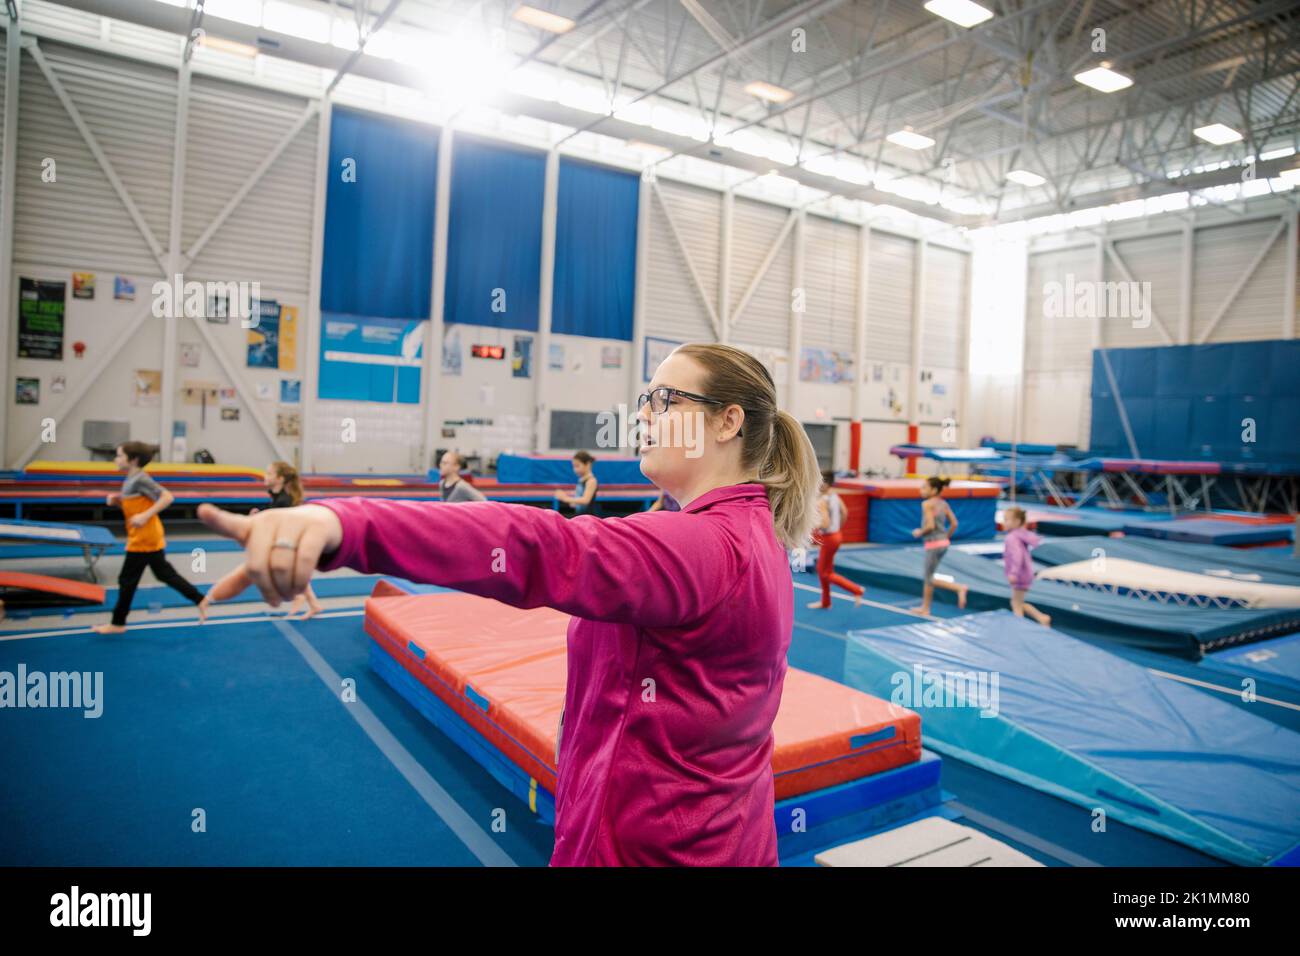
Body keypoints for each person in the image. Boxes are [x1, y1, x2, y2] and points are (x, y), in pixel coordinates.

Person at [197, 342, 821, 866]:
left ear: (727, 421)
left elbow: (536, 545)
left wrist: (347, 525)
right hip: (725, 839)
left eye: (665, 401)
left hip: (646, 849)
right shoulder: (752, 534)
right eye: (643, 401)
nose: (645, 416)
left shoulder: (702, 544)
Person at [92, 441, 207, 634]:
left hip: (144, 539)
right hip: (144, 536)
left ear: (133, 460)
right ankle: (200, 599)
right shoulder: (130, 479)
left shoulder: (140, 478)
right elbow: (136, 506)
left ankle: (118, 624)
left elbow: (167, 497)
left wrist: (145, 516)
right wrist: (118, 502)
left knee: (127, 580)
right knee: (164, 574)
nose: (116, 459)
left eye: (120, 455)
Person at [911, 476, 969, 616]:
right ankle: (925, 608)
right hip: (943, 543)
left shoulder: (927, 504)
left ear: (934, 490)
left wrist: (920, 532)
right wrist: (946, 538)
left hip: (933, 544)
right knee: (929, 576)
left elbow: (930, 526)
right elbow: (954, 524)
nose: (921, 490)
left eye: (925, 487)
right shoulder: (944, 504)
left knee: (928, 577)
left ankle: (958, 588)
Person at [807, 471, 863, 610]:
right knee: (825, 570)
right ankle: (826, 602)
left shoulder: (822, 501)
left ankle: (856, 590)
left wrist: (812, 526)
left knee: (824, 572)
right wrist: (837, 527)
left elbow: (825, 524)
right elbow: (844, 512)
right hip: (837, 535)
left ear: (825, 484)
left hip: (829, 537)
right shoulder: (835, 496)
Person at [1002, 507, 1050, 627]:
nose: (1004, 522)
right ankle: (1042, 617)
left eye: (1007, 520)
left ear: (1017, 522)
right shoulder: (1020, 535)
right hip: (1025, 573)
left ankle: (1019, 625)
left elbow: (1017, 556)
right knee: (1018, 602)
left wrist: (1013, 573)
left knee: (1016, 603)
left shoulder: (1012, 537)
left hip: (1020, 574)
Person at [556, 450, 599, 516]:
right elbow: (575, 502)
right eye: (574, 466)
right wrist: (567, 498)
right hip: (579, 516)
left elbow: (586, 500)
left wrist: (565, 498)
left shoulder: (591, 481)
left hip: (588, 518)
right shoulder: (580, 480)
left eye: (577, 466)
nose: (575, 469)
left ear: (587, 464)